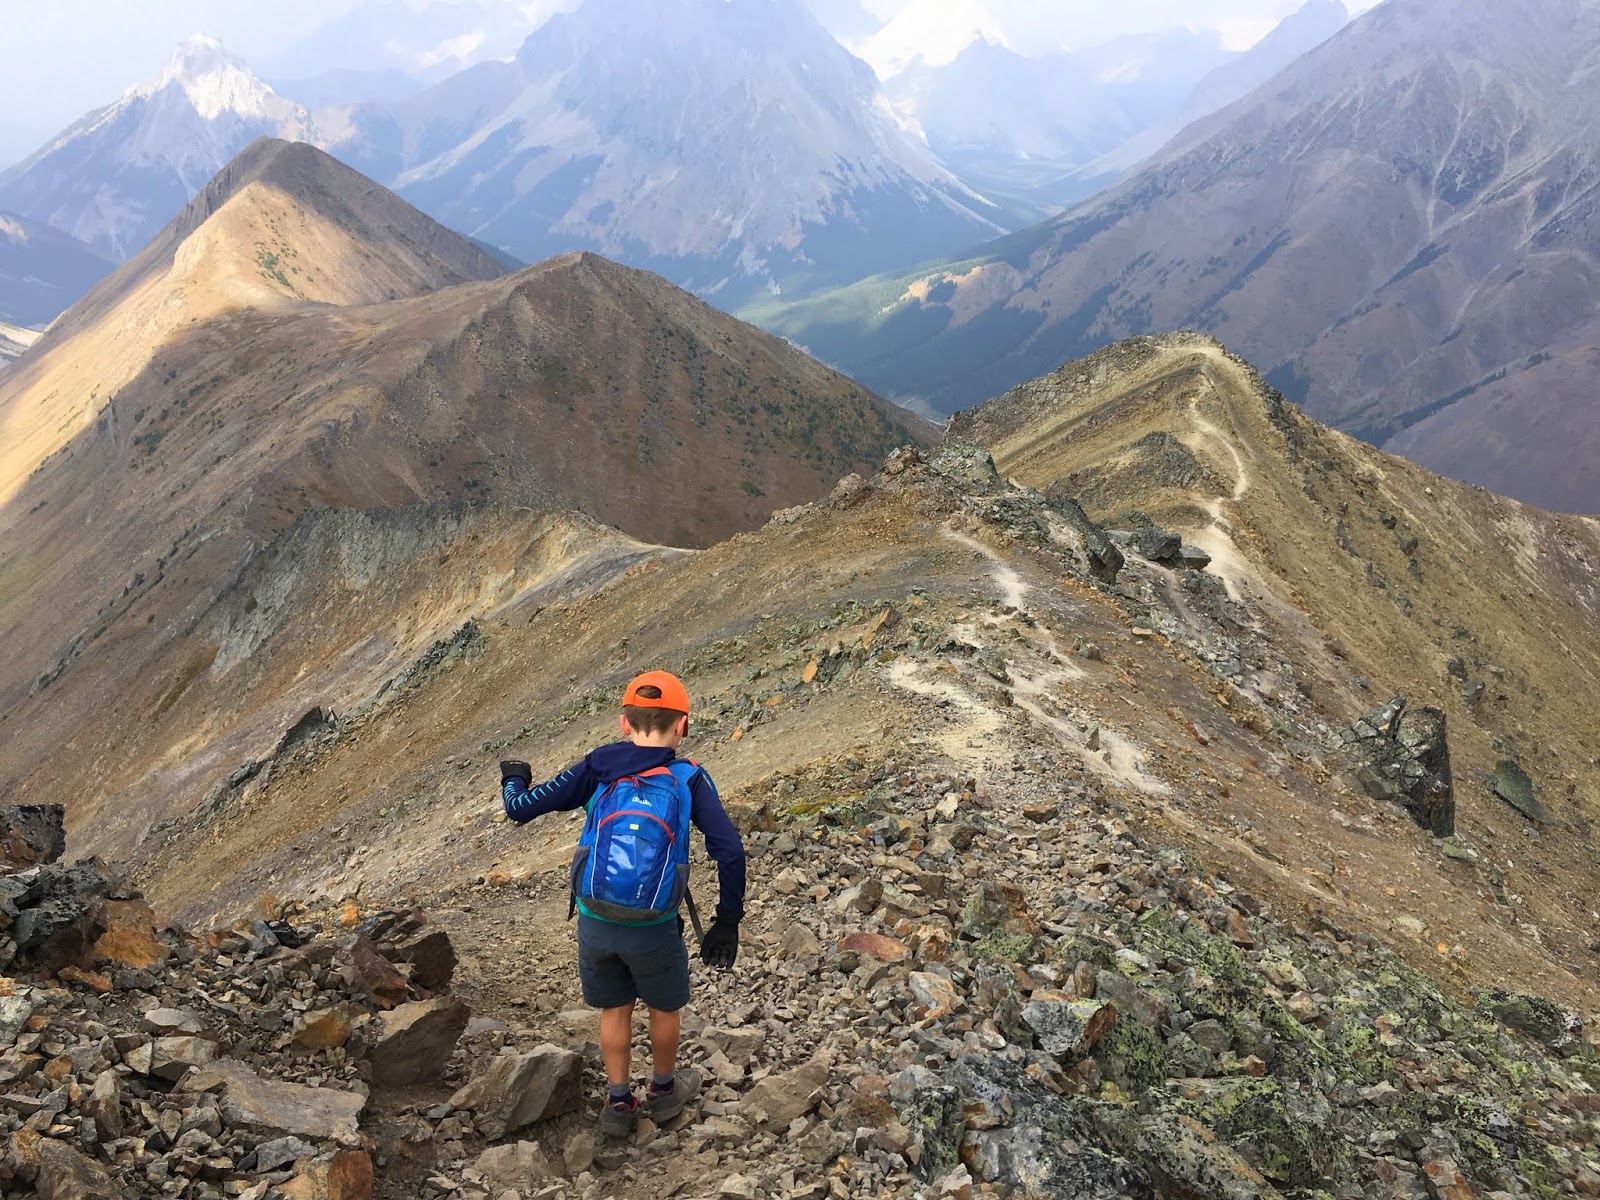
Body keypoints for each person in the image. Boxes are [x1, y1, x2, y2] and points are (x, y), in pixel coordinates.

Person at [500, 670, 745, 1137]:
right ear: (683, 725)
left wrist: (514, 778)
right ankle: (663, 1094)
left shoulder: (598, 766)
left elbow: (520, 807)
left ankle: (618, 1104)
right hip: (655, 925)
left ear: (624, 723)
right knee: (663, 1008)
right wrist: (727, 921)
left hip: (596, 919)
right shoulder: (688, 778)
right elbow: (730, 851)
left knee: (615, 1009)